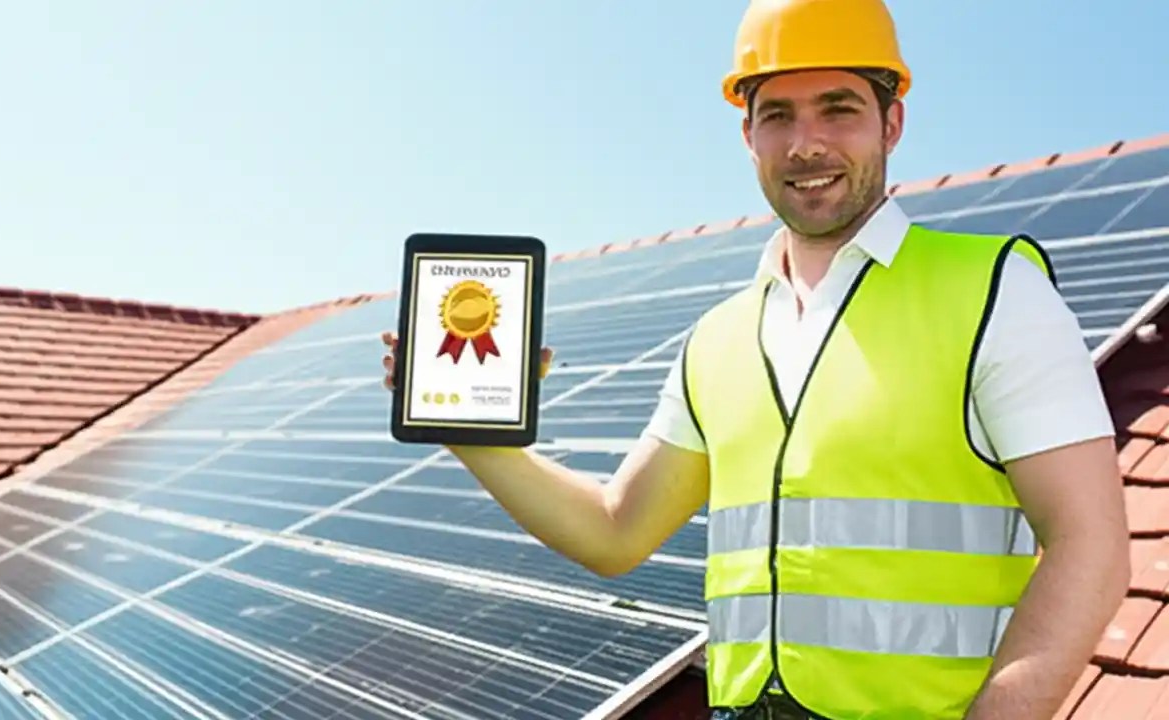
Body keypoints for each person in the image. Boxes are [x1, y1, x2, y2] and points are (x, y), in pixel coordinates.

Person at [382, 0, 1130, 717]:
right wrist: (465, 430)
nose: (805, 143)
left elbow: (1092, 550)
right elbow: (615, 533)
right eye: (778, 116)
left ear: (892, 123)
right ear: (748, 135)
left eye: (838, 108)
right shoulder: (718, 338)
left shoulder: (997, 290)